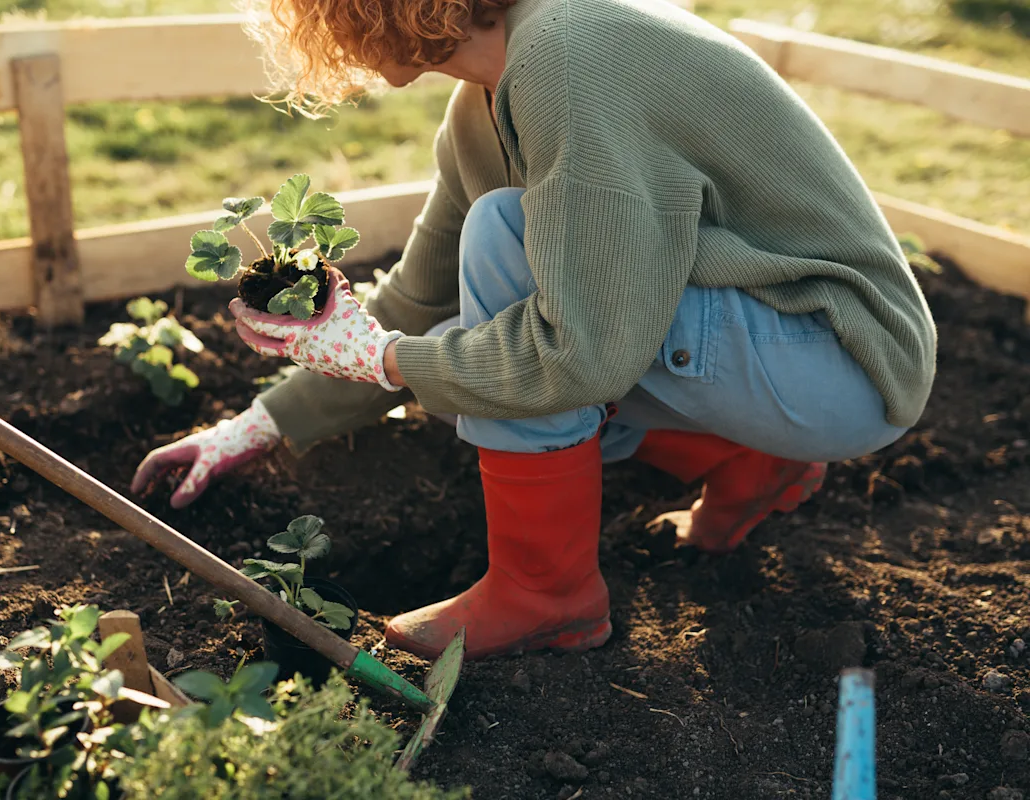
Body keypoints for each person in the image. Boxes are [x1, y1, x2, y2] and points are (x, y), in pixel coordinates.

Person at [132, 0, 936, 661]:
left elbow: (581, 353)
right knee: (468, 352)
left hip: (840, 358)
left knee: (499, 259)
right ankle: (749, 460)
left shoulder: (566, 58)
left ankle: (545, 593)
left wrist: (392, 362)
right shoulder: (487, 102)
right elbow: (417, 303)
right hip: (783, 357)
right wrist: (257, 425)